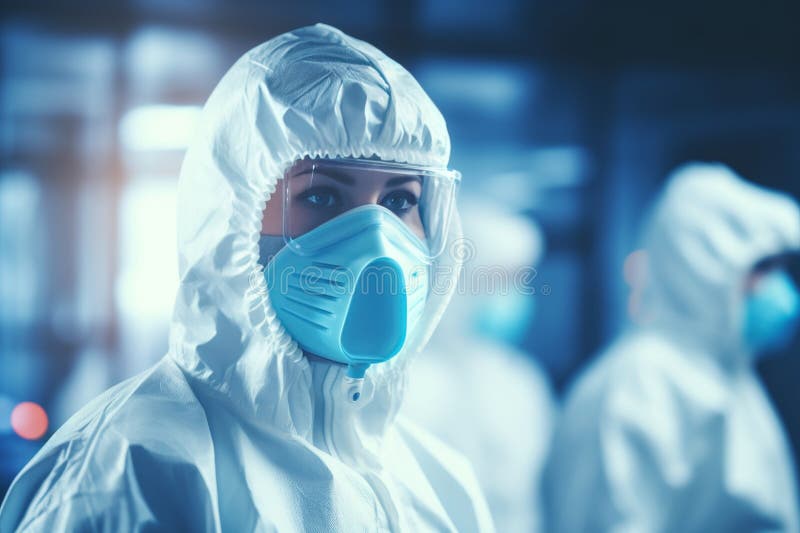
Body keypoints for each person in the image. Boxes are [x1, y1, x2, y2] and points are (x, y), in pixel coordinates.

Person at [0, 24, 494, 532]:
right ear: (229, 216)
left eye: (399, 201)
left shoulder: (440, 483)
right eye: (322, 196)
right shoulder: (132, 475)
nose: (376, 241)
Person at [543, 163, 800, 532]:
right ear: (703, 266)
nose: (779, 290)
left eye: (782, 269)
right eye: (762, 268)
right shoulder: (638, 384)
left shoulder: (728, 375)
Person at [401, 199, 557, 532]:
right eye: (497, 279)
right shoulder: (414, 383)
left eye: (518, 279)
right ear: (461, 282)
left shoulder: (524, 381)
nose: (512, 294)